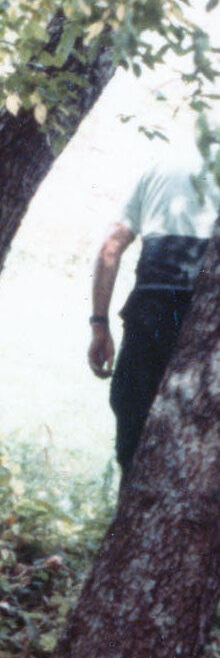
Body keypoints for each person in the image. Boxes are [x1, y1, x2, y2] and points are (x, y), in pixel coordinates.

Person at [89, 141, 219, 475]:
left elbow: (110, 246)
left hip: (149, 307)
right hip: (202, 312)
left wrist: (99, 324)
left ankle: (129, 511)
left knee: (132, 422)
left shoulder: (158, 167)